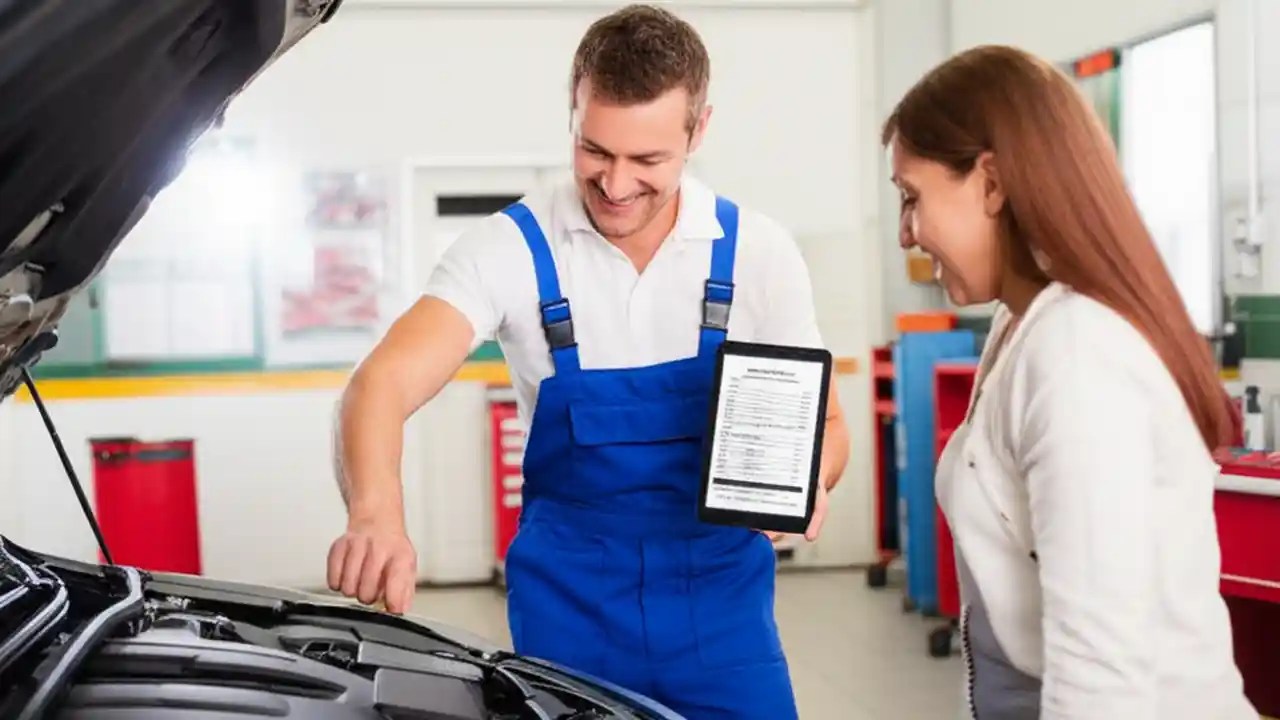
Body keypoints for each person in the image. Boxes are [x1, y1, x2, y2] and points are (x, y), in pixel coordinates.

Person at [325, 4, 849, 718]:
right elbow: (377, 385)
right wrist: (376, 513)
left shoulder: (758, 252)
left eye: (648, 160)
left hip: (722, 624)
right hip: (568, 625)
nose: (616, 183)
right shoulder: (508, 248)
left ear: (699, 130)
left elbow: (828, 426)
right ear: (572, 109)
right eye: (595, 150)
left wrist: (808, 478)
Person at [884, 45, 1256, 720]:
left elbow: (1100, 670)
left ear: (991, 183)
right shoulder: (1020, 325)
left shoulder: (1076, 352)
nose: (907, 233)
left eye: (913, 198)